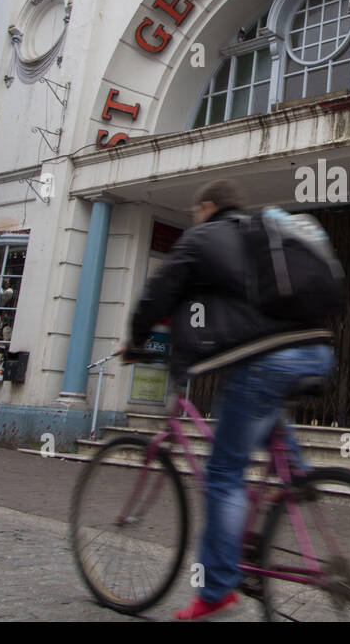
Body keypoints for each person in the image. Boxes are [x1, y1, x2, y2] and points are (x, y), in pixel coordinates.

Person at [120, 179, 335, 620]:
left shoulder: (203, 237)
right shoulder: (263, 232)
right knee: (264, 403)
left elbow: (159, 292)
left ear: (207, 206)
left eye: (196, 210)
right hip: (317, 349)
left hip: (267, 360)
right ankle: (295, 481)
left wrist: (137, 339)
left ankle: (216, 592)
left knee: (222, 473)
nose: (195, 216)